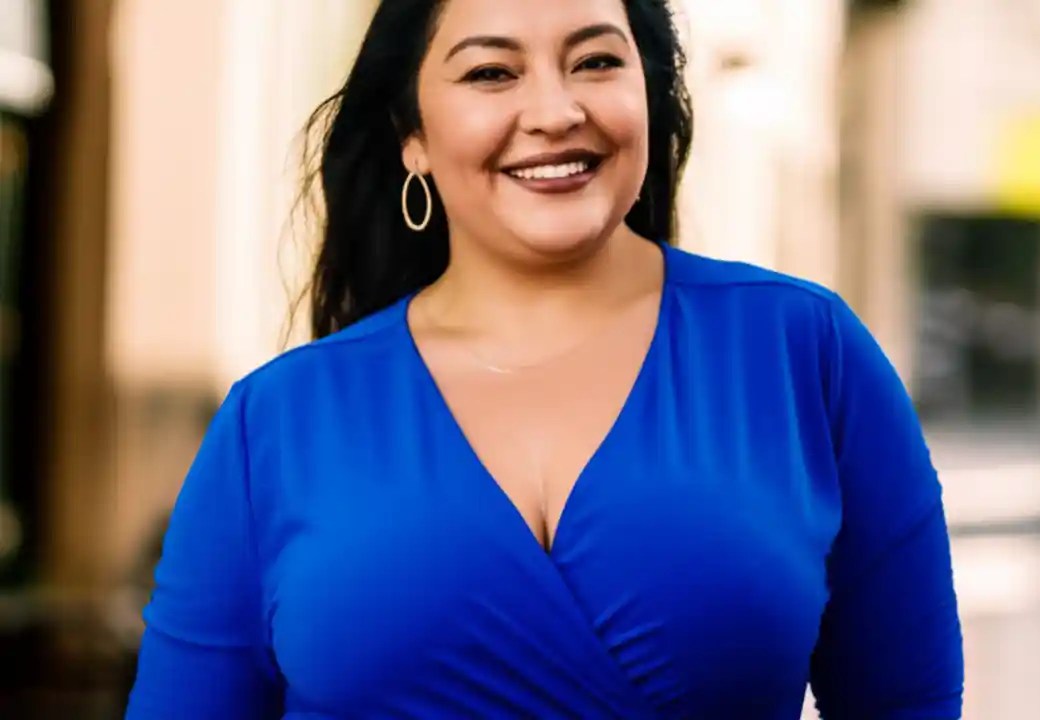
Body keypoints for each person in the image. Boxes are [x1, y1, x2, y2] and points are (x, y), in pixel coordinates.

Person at [125, 0, 964, 717]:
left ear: (651, 94)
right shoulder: (275, 421)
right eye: (492, 73)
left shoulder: (804, 357)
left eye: (596, 61)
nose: (556, 110)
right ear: (410, 134)